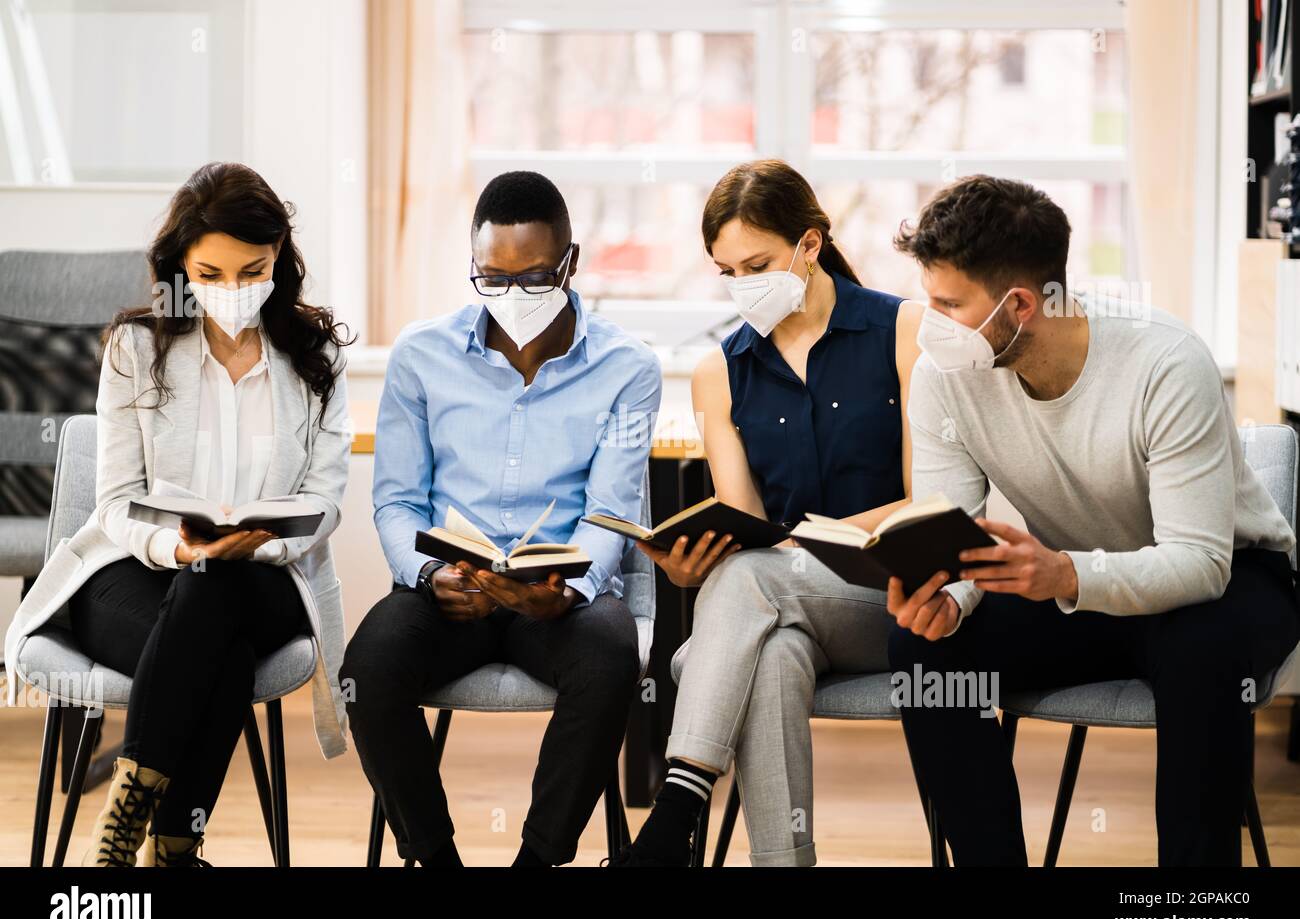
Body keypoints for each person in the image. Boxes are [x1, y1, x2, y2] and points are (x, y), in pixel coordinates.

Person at [886, 173, 1300, 866]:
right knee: (923, 653)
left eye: (947, 303)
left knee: (1204, 647)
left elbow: (1200, 563)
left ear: (1018, 305)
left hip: (1227, 581)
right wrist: (949, 602)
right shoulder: (945, 378)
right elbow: (952, 538)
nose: (929, 324)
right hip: (1082, 581)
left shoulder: (1162, 362)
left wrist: (1062, 573)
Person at [3, 162, 354, 866]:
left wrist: (259, 543)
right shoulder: (138, 349)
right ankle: (172, 848)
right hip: (137, 568)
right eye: (212, 274)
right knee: (212, 643)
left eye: (252, 271)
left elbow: (323, 500)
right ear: (179, 268)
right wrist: (183, 551)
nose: (234, 291)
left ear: (279, 257)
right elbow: (115, 502)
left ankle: (118, 838)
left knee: (214, 600)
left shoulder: (314, 354)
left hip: (267, 578)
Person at [341, 170, 661, 867]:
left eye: (535, 277)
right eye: (492, 279)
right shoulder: (420, 356)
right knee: (366, 670)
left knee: (610, 662)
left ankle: (538, 862)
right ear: (473, 266)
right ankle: (435, 858)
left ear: (571, 264)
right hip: (450, 592)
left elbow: (611, 511)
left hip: (559, 602)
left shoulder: (628, 367)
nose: (512, 297)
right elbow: (396, 500)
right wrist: (427, 574)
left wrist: (568, 590)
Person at [613, 159, 923, 866]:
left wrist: (796, 550)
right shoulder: (719, 370)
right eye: (727, 273)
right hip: (788, 610)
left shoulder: (903, 329)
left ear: (809, 245)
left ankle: (675, 813)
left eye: (756, 264)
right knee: (772, 651)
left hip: (894, 598)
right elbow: (744, 522)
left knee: (755, 582)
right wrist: (694, 563)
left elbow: (926, 500)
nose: (743, 285)